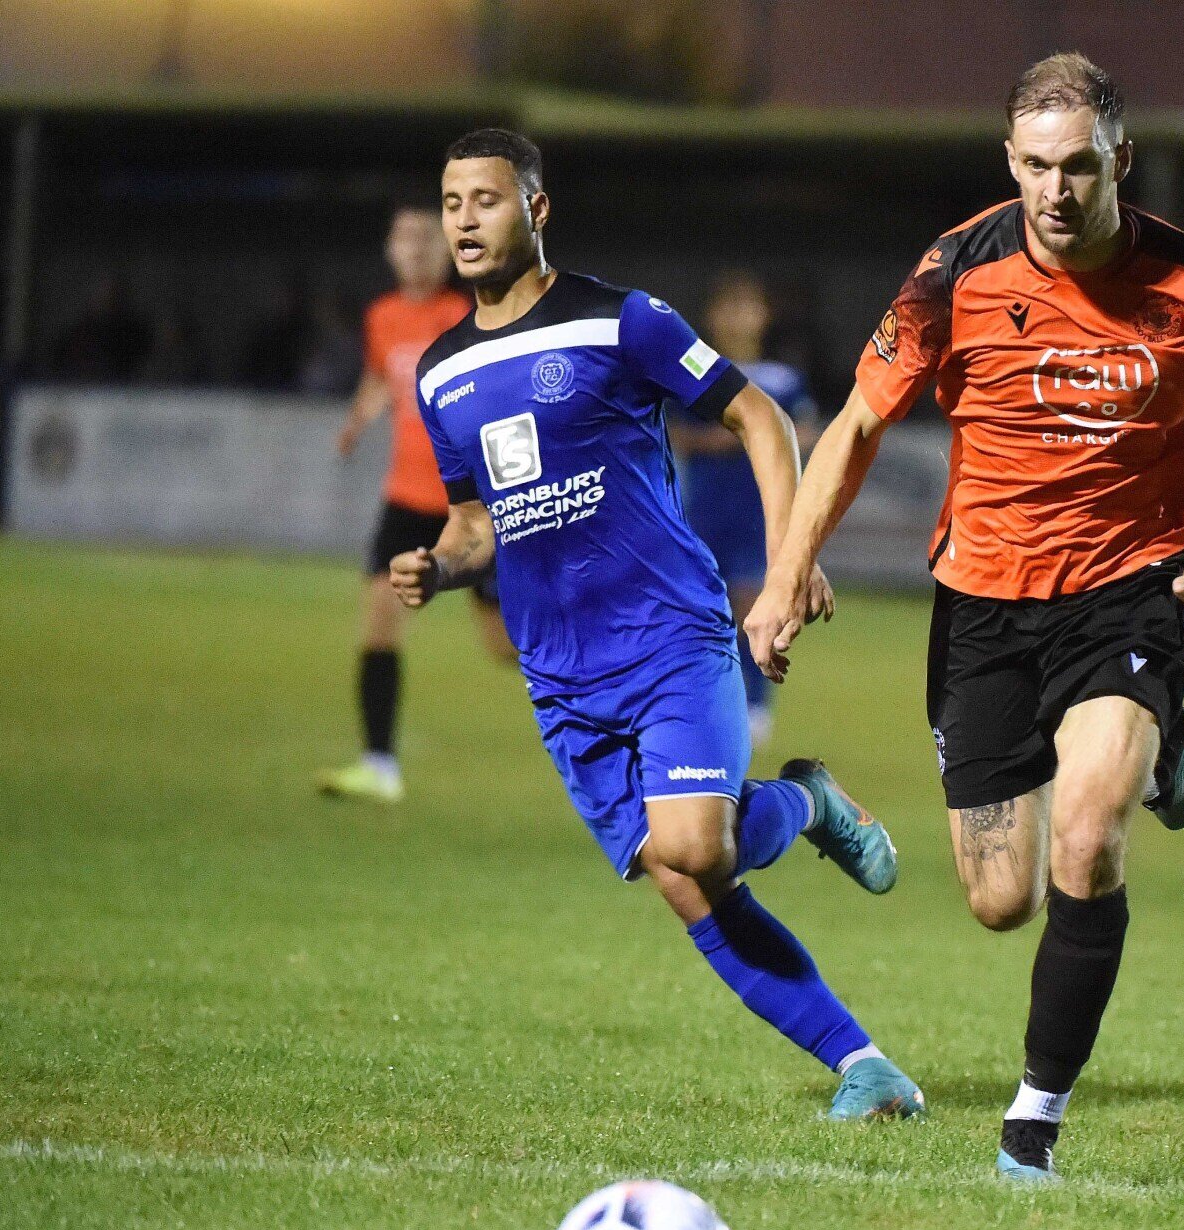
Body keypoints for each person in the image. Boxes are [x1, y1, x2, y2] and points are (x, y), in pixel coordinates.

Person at [745, 55, 1184, 1181]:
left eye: (1079, 167)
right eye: (1035, 166)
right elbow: (856, 426)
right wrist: (787, 573)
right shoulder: (955, 271)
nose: (1055, 191)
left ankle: (1033, 1122)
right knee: (999, 900)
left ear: (1121, 161)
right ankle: (1167, 747)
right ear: (1009, 161)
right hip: (984, 604)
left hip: (1128, 591)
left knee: (1088, 830)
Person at [390, 129, 923, 1121]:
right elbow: (474, 522)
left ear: (536, 211)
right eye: (452, 202)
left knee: (698, 847)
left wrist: (787, 562)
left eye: (486, 200)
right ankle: (867, 1067)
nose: (464, 220)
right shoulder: (441, 373)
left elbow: (759, 417)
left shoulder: (620, 320)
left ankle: (808, 804)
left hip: (668, 633)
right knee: (682, 880)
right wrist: (439, 565)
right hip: (560, 672)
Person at [319, 206, 510, 803]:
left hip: (471, 503)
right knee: (379, 619)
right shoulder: (383, 315)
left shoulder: (468, 316)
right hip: (405, 496)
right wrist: (357, 421)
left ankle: (620, 691)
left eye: (428, 237)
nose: (417, 248)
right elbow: (382, 375)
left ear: (449, 250)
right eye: (406, 238)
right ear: (390, 250)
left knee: (506, 645)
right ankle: (379, 764)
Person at [670, 272, 819, 746]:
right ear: (711, 316)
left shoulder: (783, 377)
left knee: (755, 608)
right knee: (702, 612)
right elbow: (676, 433)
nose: (737, 318)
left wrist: (755, 435)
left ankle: (754, 706)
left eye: (747, 307)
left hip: (759, 512)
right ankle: (703, 703)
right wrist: (749, 435)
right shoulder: (697, 368)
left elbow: (805, 432)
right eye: (728, 307)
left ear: (764, 315)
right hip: (704, 509)